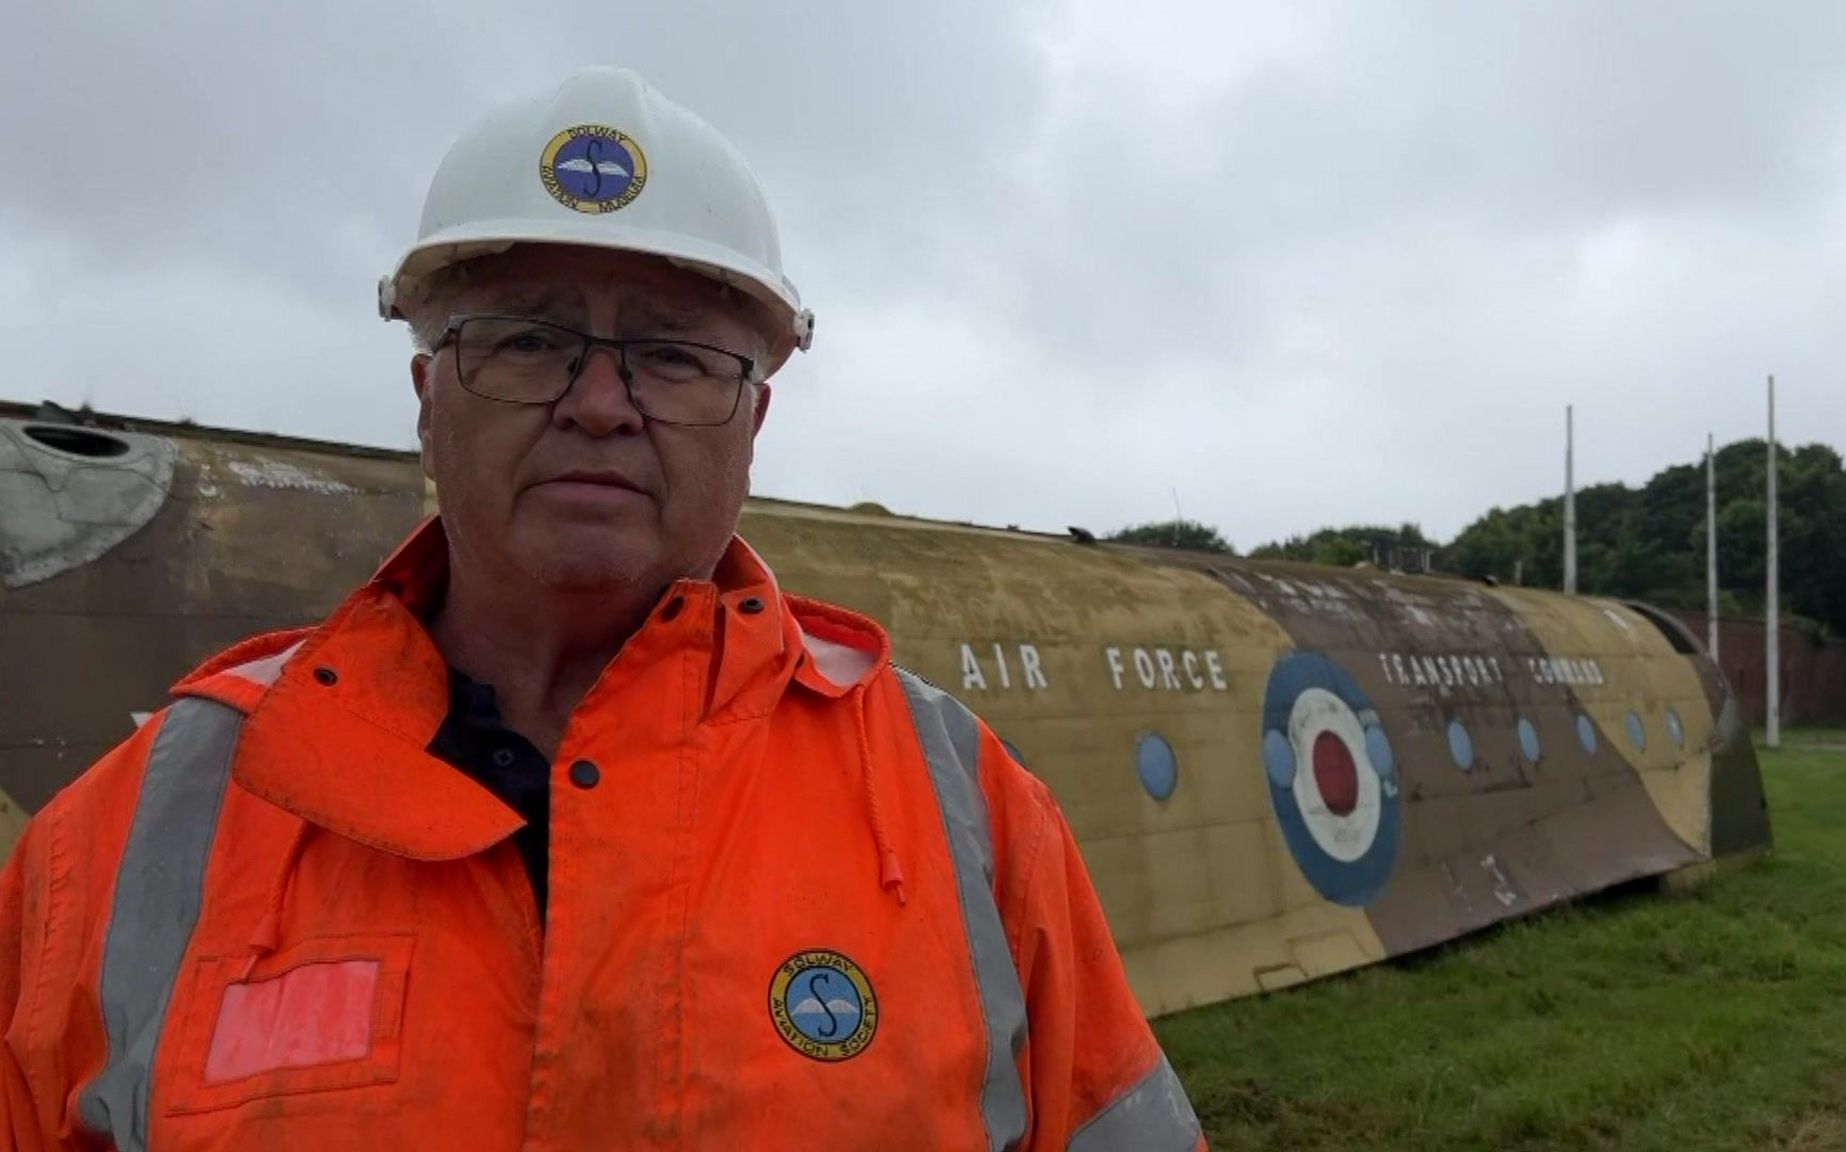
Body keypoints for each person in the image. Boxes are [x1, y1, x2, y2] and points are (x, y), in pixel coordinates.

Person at [0, 66, 1203, 1150]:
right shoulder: (136, 832)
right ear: (429, 399)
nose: (599, 405)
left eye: (674, 358)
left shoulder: (963, 806)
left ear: (754, 424)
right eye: (528, 341)